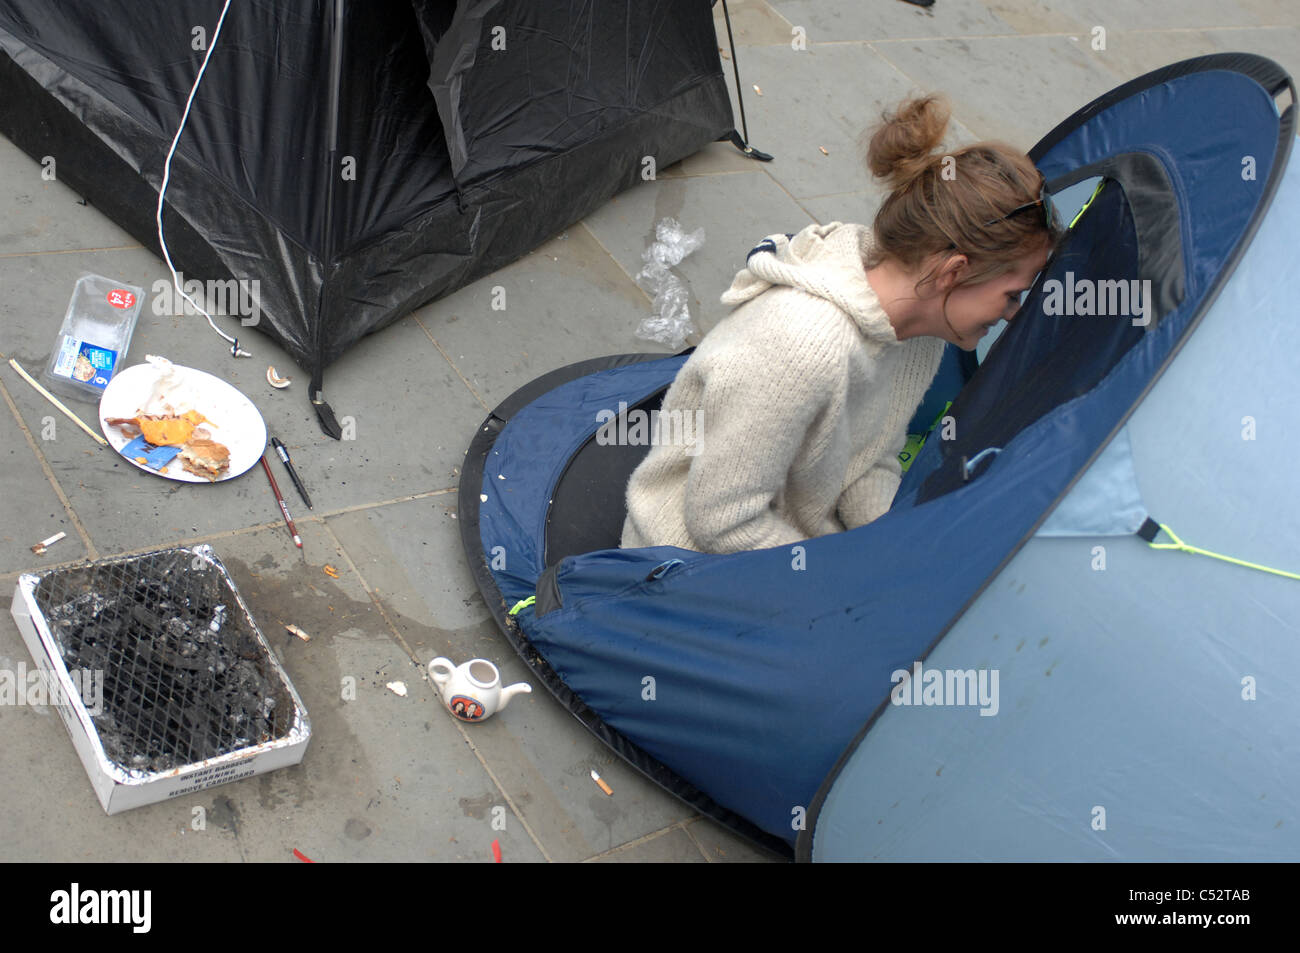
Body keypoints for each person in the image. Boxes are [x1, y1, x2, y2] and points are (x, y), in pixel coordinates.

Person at [620, 94, 1062, 555]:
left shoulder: (921, 330)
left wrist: (896, 541)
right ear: (953, 271)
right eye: (1012, 295)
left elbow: (868, 458)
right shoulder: (801, 346)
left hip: (793, 539)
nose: (1013, 313)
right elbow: (722, 522)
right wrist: (839, 577)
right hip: (684, 560)